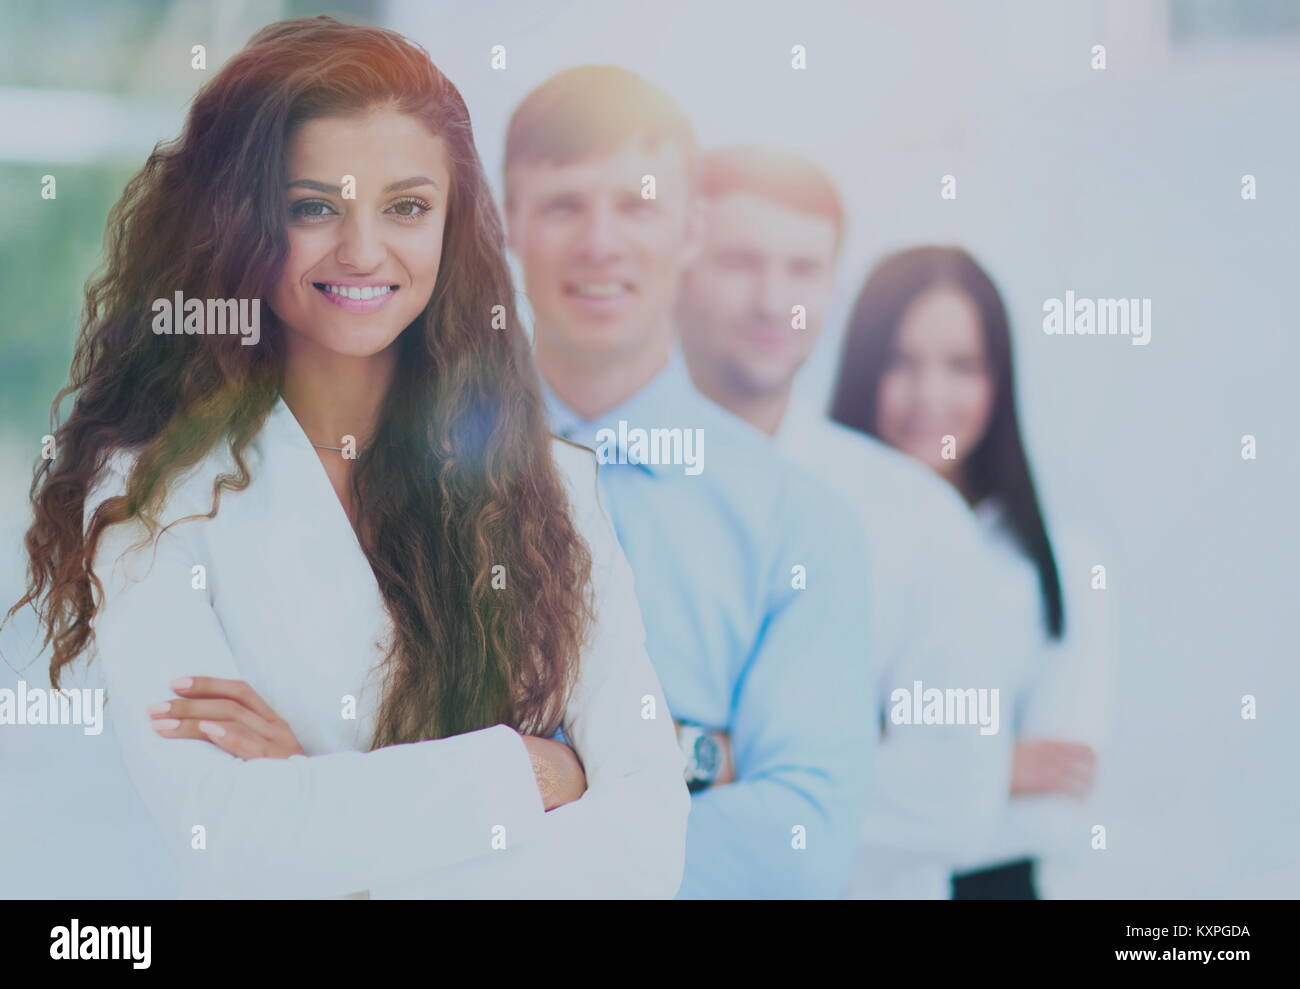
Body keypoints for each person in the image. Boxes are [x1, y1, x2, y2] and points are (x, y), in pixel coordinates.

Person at [8, 17, 689, 900]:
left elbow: (645, 849)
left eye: (406, 206)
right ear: (237, 221)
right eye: (314, 207)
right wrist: (531, 773)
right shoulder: (152, 498)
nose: (364, 251)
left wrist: (322, 797)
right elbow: (236, 843)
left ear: (453, 222)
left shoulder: (554, 482)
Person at [502, 67, 875, 898]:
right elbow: (361, 773)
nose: (601, 241)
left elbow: (799, 839)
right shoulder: (399, 472)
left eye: (637, 205)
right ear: (507, 218)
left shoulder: (798, 522)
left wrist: (531, 803)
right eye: (564, 204)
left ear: (692, 228)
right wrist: (689, 759)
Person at [677, 145, 1017, 899]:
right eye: (739, 261)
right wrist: (814, 767)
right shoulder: (587, 480)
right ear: (678, 259)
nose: (773, 299)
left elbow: (954, 798)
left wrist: (700, 760)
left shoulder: (919, 517)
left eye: (802, 269)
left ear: (832, 288)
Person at [828, 245, 1108, 899]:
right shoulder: (812, 532)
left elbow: (1056, 794)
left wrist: (863, 760)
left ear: (998, 380)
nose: (930, 395)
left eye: (961, 366)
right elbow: (775, 779)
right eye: (902, 361)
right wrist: (993, 766)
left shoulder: (1062, 563)